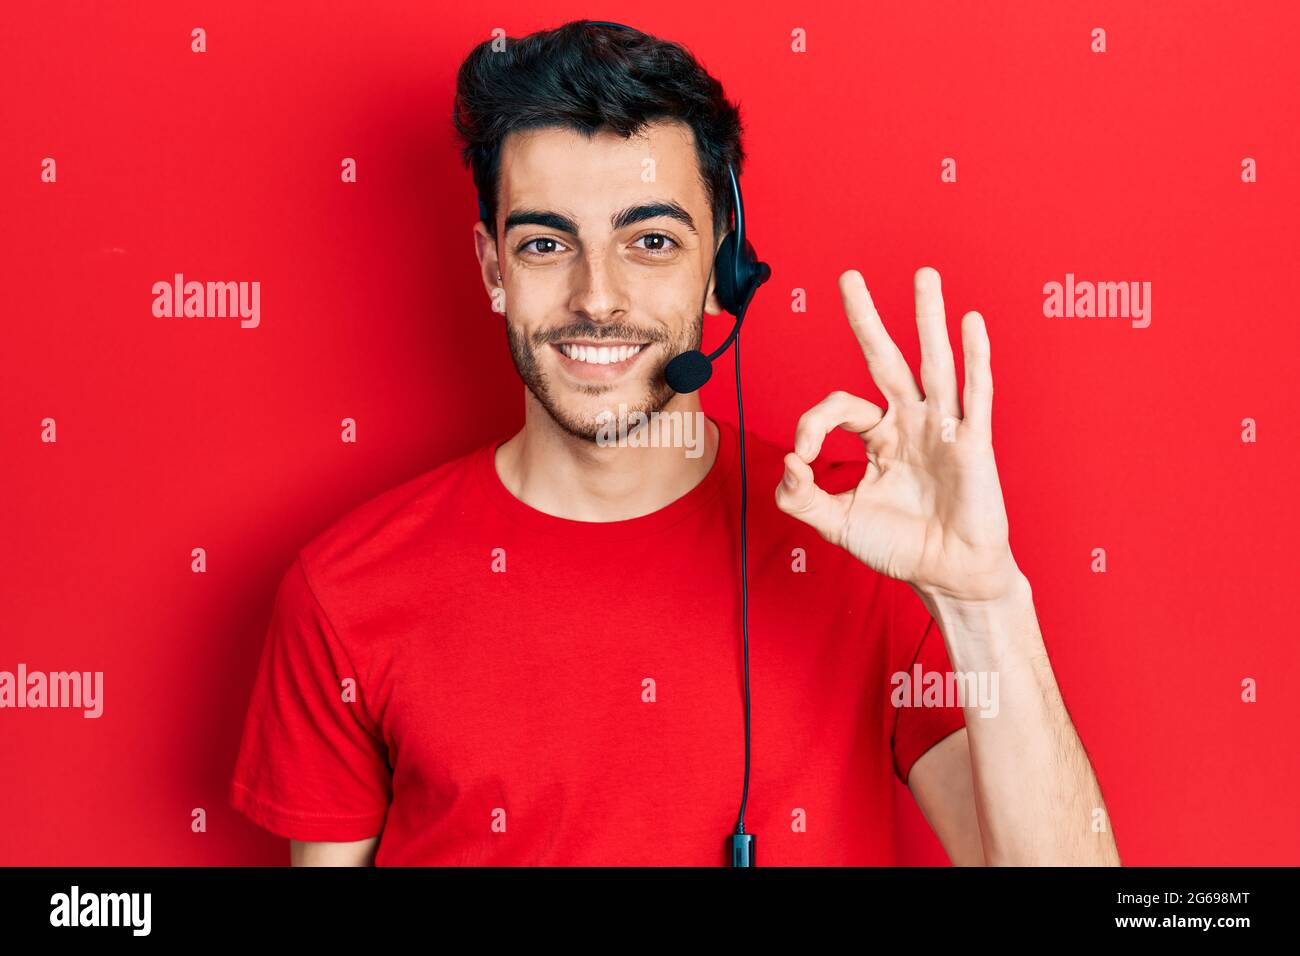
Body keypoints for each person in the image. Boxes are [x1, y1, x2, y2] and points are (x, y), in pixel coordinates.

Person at [228, 19, 1120, 867]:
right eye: (546, 243)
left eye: (651, 241)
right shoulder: (343, 593)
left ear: (724, 265)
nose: (599, 297)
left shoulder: (861, 551)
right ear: (494, 268)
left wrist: (984, 600)